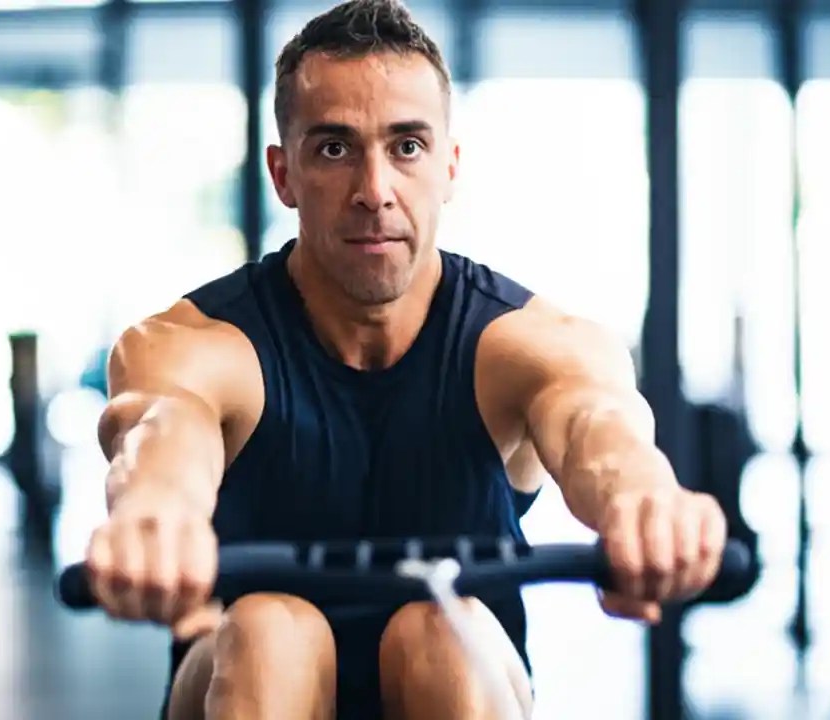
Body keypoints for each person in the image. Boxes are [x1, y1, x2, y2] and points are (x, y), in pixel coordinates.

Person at [84, 1, 730, 718]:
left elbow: (597, 427)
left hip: (457, 676)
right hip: (241, 680)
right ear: (283, 173)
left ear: (449, 165)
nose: (374, 191)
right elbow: (162, 432)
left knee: (438, 629)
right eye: (334, 148)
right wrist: (155, 512)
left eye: (407, 147)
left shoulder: (526, 344)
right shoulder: (198, 344)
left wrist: (644, 502)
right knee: (269, 625)